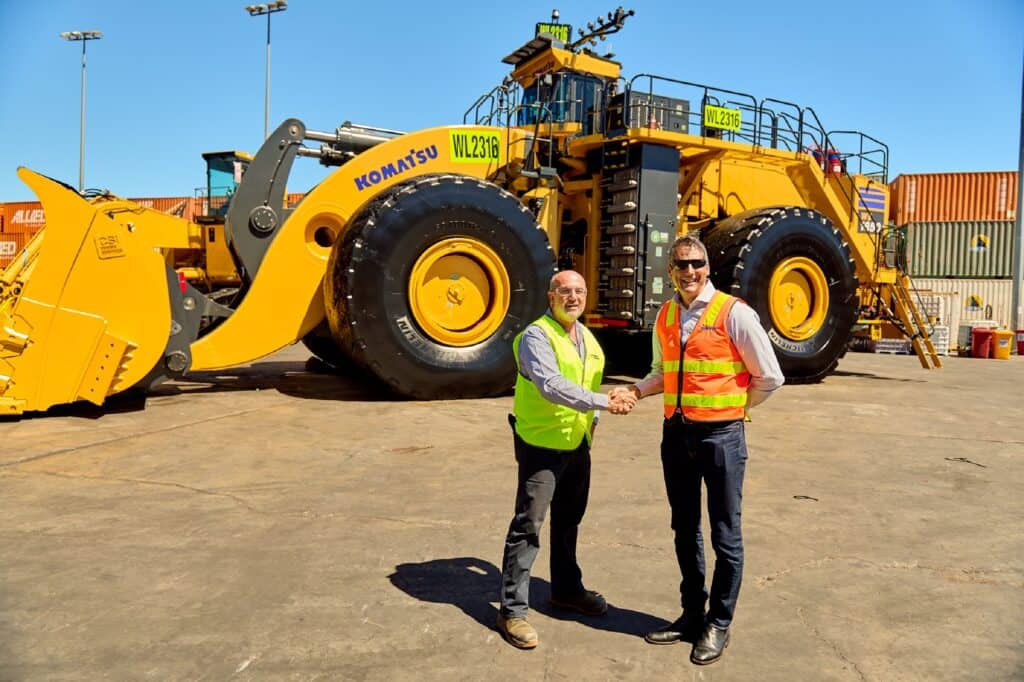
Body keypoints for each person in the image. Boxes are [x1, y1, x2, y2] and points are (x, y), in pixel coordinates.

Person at [614, 235, 783, 665]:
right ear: (670, 270)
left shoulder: (735, 314)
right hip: (676, 435)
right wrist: (635, 389)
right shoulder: (667, 315)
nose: (689, 272)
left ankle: (718, 622)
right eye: (681, 265)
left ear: (708, 268)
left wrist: (736, 408)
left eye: (696, 264)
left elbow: (769, 376)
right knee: (684, 528)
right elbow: (661, 372)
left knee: (726, 534)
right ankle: (692, 614)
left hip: (722, 437)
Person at [496, 270, 636, 650]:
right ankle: (512, 610)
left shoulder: (587, 338)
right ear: (550, 295)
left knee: (569, 520)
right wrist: (606, 401)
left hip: (577, 443)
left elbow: (587, 385)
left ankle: (566, 590)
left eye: (579, 291)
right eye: (565, 291)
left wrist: (598, 416)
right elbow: (551, 385)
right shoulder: (536, 336)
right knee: (529, 525)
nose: (572, 297)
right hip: (541, 444)